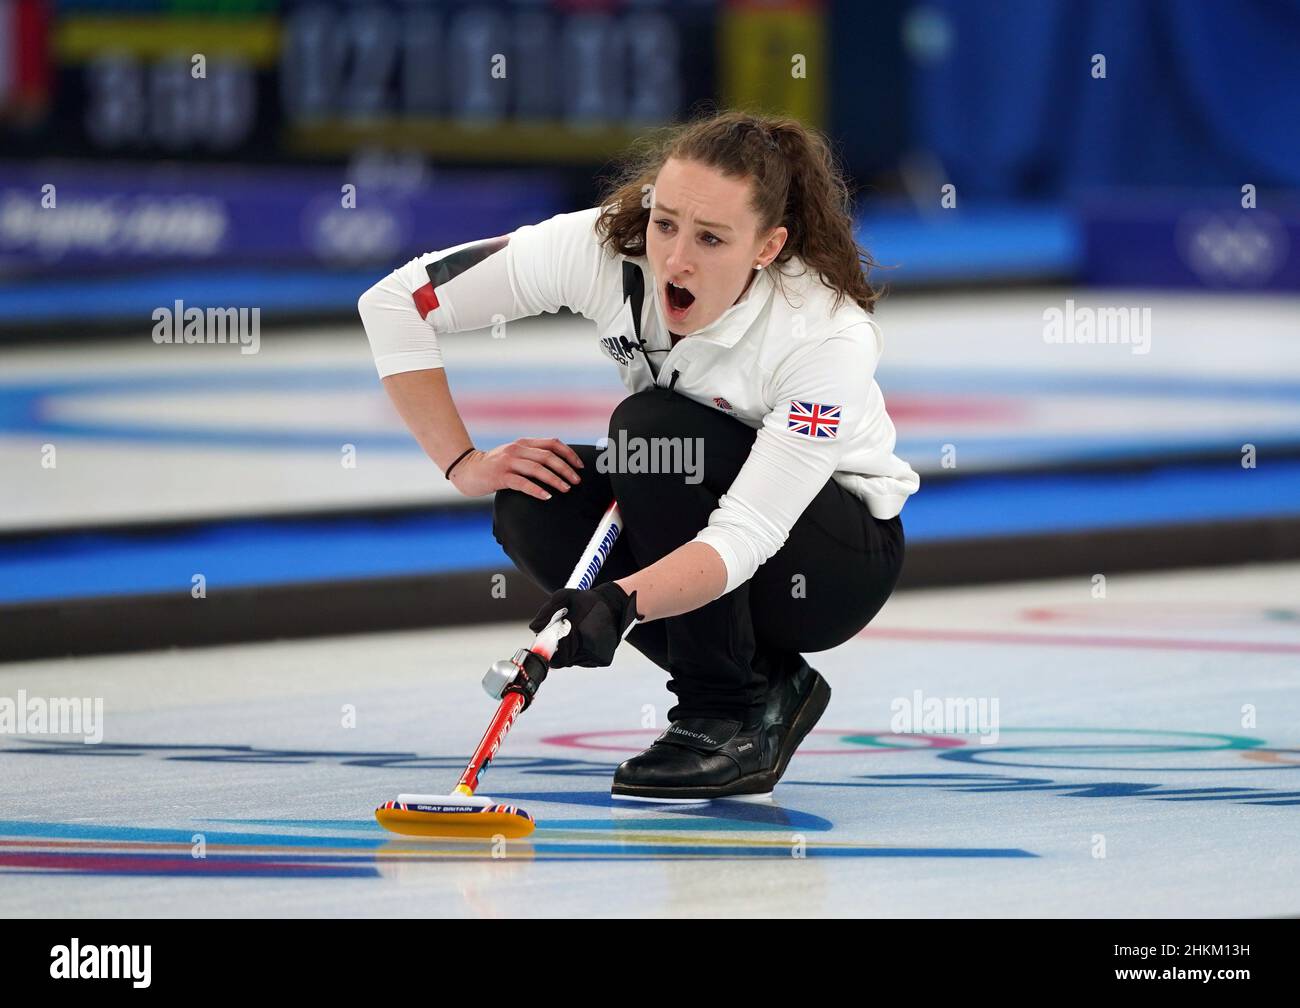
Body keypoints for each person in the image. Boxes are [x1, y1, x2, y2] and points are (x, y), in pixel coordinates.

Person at [357, 109, 919, 803]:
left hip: (829, 564)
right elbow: (395, 304)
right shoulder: (600, 249)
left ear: (768, 247)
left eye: (712, 239)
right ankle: (768, 688)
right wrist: (462, 461)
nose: (676, 259)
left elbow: (747, 534)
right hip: (699, 497)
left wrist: (619, 603)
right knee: (536, 502)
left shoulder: (826, 336)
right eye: (665, 223)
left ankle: (722, 717)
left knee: (651, 433)